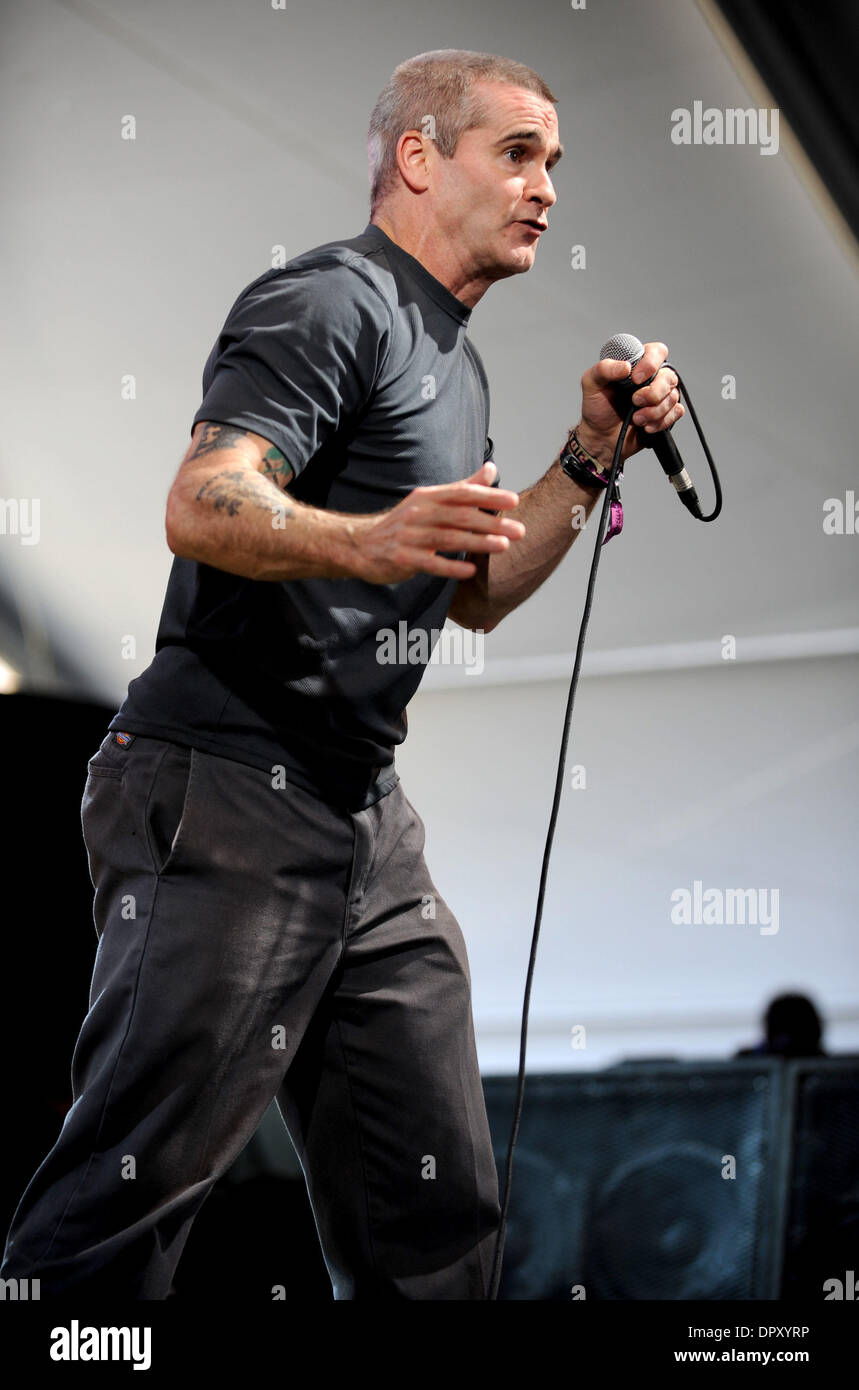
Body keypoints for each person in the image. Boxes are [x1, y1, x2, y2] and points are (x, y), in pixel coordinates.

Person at [0, 48, 682, 1300]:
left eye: (556, 164)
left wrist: (588, 455)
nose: (546, 188)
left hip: (362, 817)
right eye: (517, 152)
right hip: (224, 783)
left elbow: (469, 590)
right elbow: (204, 501)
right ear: (419, 156)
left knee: (434, 1204)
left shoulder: (455, 358)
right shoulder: (328, 302)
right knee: (129, 1189)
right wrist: (365, 539)